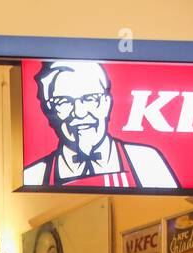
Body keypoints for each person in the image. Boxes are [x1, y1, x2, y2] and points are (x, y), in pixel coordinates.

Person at [23, 60, 178, 190]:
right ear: (51, 111)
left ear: (106, 103)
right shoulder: (34, 175)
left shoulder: (145, 161)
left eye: (90, 99)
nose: (80, 112)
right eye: (64, 102)